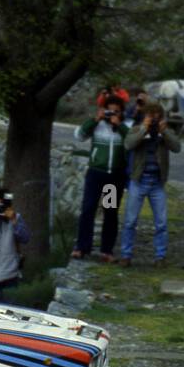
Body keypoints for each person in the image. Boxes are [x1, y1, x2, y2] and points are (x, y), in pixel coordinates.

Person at [119, 101, 181, 267]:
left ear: (161, 117)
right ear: (144, 116)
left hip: (157, 183)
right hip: (138, 181)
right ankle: (126, 255)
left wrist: (165, 131)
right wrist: (143, 129)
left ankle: (160, 256)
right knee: (130, 221)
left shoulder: (165, 132)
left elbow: (177, 147)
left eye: (156, 116)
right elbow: (128, 144)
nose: (153, 119)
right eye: (150, 116)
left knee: (161, 222)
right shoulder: (135, 129)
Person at [71, 96, 129, 262]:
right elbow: (79, 136)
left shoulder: (125, 126)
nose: (112, 114)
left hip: (114, 176)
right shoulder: (97, 125)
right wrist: (95, 120)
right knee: (88, 209)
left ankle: (106, 250)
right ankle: (82, 247)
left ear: (121, 112)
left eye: (116, 111)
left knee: (110, 212)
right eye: (109, 110)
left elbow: (132, 140)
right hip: (96, 173)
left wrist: (119, 125)